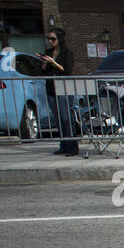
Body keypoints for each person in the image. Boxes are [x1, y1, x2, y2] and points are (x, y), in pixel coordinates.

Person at [39, 27, 77, 156]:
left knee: (66, 119)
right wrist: (44, 63)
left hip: (64, 88)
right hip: (51, 88)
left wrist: (53, 62)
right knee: (58, 120)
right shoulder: (48, 52)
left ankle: (72, 147)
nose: (50, 41)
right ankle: (63, 145)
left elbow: (67, 70)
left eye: (53, 39)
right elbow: (44, 71)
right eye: (48, 38)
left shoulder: (67, 53)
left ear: (59, 39)